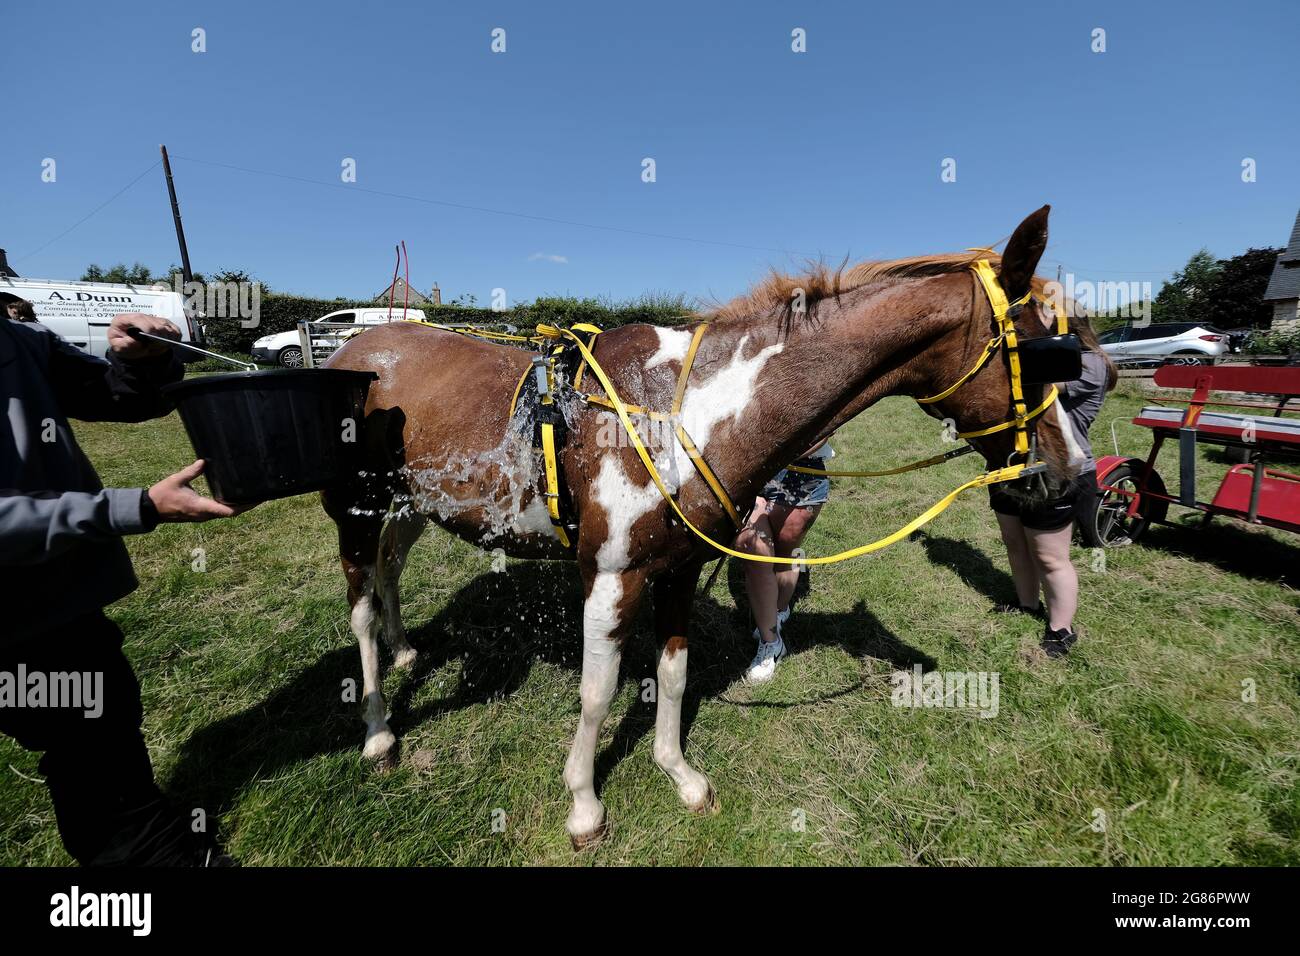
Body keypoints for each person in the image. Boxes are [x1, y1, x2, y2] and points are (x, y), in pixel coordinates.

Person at [0, 312, 248, 866]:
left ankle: (138, 823)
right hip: (12, 614)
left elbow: (116, 396)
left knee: (95, 726)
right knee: (84, 740)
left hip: (54, 596)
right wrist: (133, 507)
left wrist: (140, 361)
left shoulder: (18, 336)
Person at [988, 314, 1116, 658]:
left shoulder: (1089, 364)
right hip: (1011, 465)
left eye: (1040, 318)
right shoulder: (1048, 353)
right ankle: (1027, 603)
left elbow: (1029, 381)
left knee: (1049, 557)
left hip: (1055, 471)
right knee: (1014, 542)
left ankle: (1062, 629)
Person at [735, 440, 833, 682]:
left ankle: (779, 610)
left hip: (803, 477)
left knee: (786, 549)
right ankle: (771, 643)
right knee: (752, 549)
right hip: (754, 466)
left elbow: (824, 429)